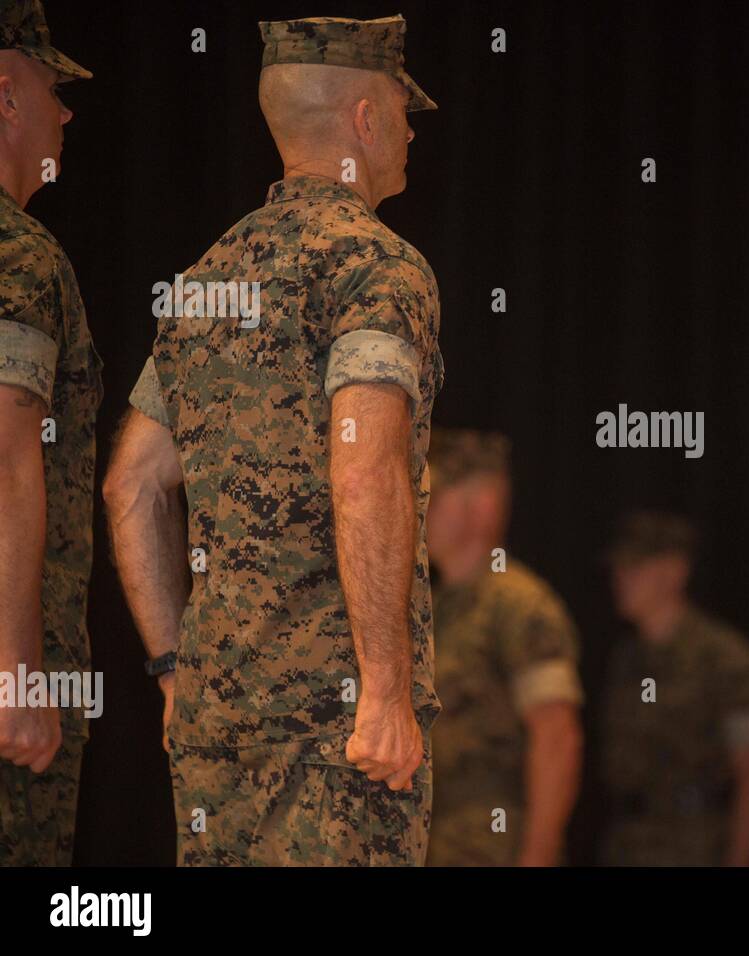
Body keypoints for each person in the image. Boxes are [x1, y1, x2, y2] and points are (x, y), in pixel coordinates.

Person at [101, 14, 443, 865]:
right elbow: (365, 473)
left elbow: (130, 487)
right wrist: (385, 694)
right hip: (338, 732)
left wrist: (178, 672)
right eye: (404, 110)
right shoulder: (376, 265)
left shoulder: (205, 280)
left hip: (220, 722)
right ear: (365, 118)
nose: (411, 131)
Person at [0, 0, 95, 867]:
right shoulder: (19, 257)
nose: (65, 112)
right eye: (51, 87)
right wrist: (19, 672)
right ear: (4, 96)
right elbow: (5, 462)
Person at [423, 429, 584, 866]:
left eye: (433, 498)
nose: (420, 511)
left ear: (481, 507)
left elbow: (557, 738)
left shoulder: (520, 604)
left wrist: (538, 854)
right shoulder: (435, 605)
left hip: (494, 844)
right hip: (435, 837)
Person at [600, 512, 749, 866]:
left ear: (674, 571)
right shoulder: (626, 658)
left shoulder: (722, 658)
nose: (621, 579)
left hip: (696, 848)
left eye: (636, 568)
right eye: (619, 568)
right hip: (628, 848)